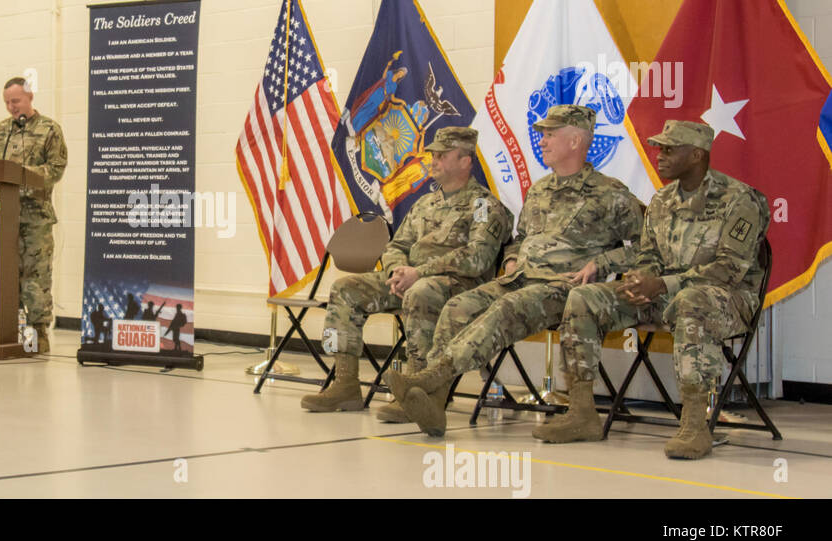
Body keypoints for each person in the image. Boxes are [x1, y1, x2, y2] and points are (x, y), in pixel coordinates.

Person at [394, 105, 645, 436]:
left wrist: (603, 263)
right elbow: (521, 238)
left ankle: (432, 377)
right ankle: (435, 404)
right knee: (458, 307)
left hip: (561, 287)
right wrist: (511, 257)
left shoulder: (610, 194)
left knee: (505, 309)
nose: (542, 140)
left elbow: (647, 248)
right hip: (519, 278)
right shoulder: (540, 190)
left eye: (550, 134)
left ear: (575, 141)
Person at [535, 121, 767, 459]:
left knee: (691, 301)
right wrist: (640, 280)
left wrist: (662, 284)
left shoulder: (739, 200)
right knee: (584, 299)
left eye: (670, 150)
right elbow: (648, 255)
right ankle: (581, 413)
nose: (660, 156)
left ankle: (694, 424)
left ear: (697, 155)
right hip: (662, 294)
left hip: (724, 300)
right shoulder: (662, 201)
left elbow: (728, 270)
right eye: (660, 148)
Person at [305, 127, 513, 417]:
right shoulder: (425, 203)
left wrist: (419, 273)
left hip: (459, 288)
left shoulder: (482, 205)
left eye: (442, 155)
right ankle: (345, 384)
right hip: (410, 280)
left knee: (421, 291)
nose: (434, 160)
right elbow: (396, 245)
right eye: (433, 155)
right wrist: (396, 272)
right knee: (345, 288)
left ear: (466, 161)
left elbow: (477, 258)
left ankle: (416, 392)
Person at [0, 77, 68, 353]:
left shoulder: (49, 129)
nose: (10, 107)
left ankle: (38, 333)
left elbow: (55, 169)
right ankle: (15, 332)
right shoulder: (0, 131)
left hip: (35, 218)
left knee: (36, 276)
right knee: (8, 275)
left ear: (30, 97)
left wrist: (22, 179)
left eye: (15, 101)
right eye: (7, 102)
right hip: (5, 217)